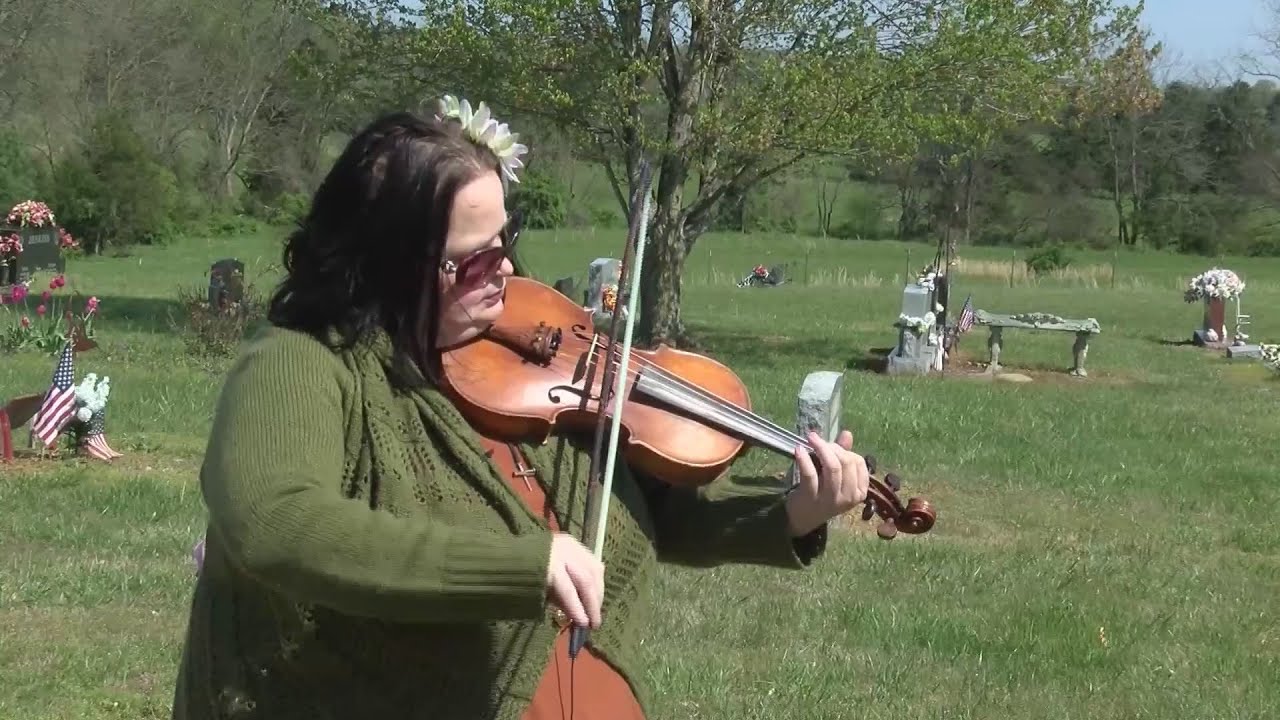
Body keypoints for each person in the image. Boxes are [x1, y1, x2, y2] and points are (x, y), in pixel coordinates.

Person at [171, 95, 870, 720]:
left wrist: (792, 514)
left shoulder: (530, 351)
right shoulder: (301, 364)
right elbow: (276, 522)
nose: (504, 270)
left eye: (507, 240)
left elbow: (642, 512)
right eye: (472, 260)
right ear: (384, 262)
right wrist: (519, 569)